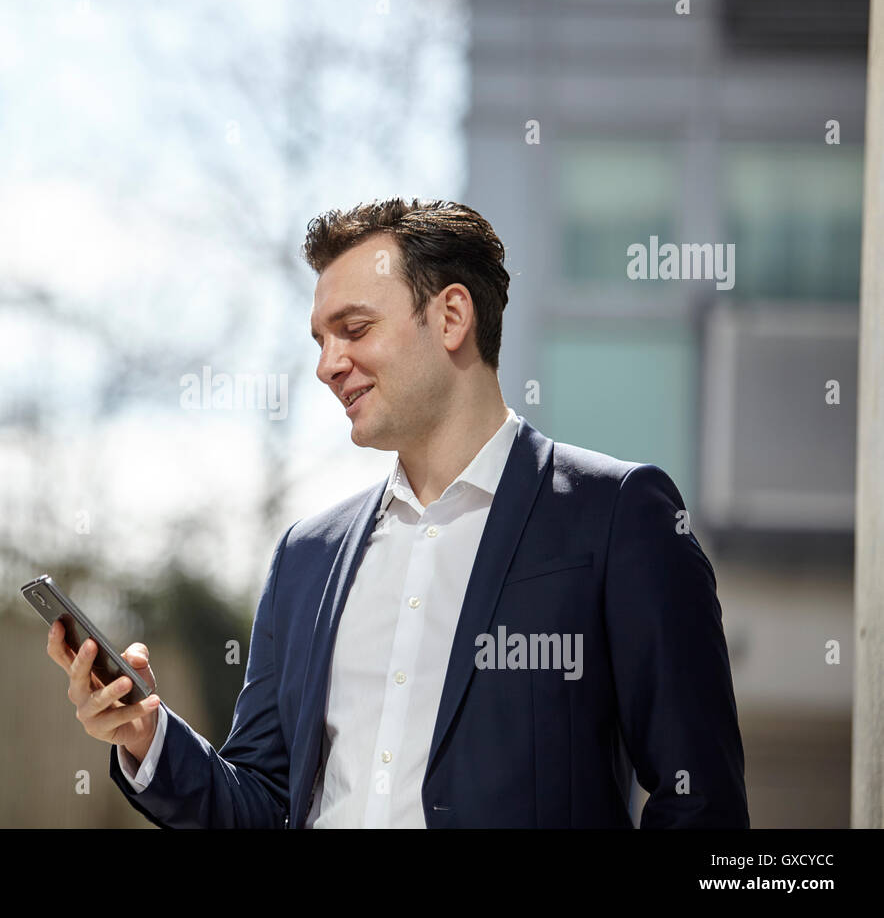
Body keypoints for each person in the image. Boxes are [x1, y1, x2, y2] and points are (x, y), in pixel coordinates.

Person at [45, 198, 749, 828]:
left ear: (450, 317)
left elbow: (700, 803)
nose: (327, 364)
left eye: (352, 329)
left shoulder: (619, 516)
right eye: (320, 340)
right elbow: (261, 800)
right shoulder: (306, 555)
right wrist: (145, 734)